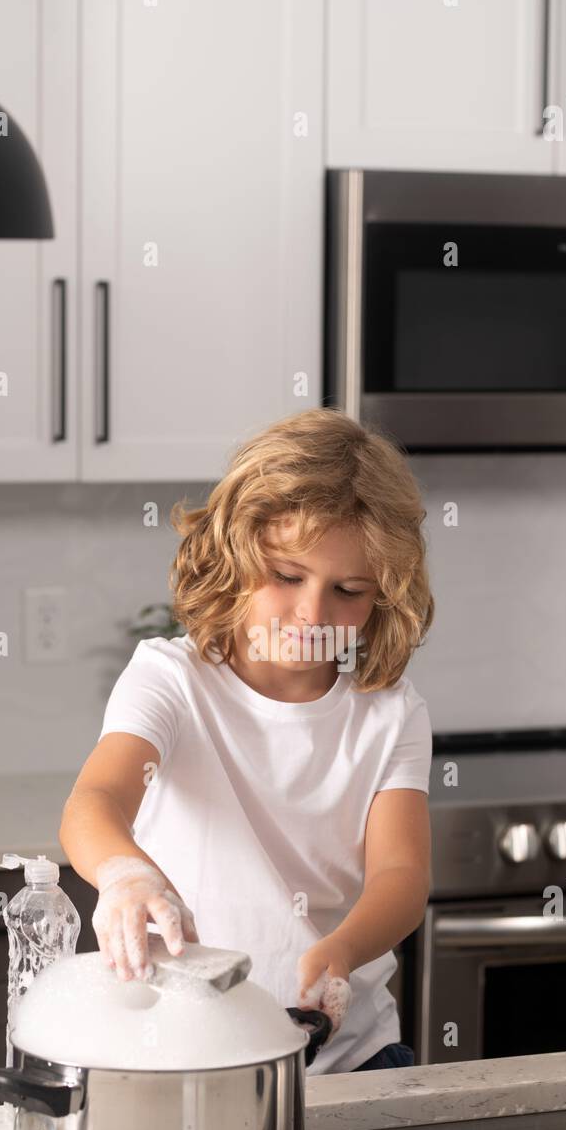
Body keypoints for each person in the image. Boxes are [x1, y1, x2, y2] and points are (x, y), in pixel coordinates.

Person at [59, 407, 433, 1075]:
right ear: (232, 556)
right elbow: (96, 800)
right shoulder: (171, 680)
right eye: (287, 577)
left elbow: (401, 876)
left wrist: (344, 949)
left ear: (384, 599)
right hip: (183, 1054)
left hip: (349, 1053)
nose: (312, 614)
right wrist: (125, 875)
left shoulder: (389, 713)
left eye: (348, 591)